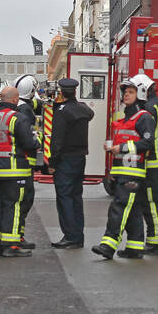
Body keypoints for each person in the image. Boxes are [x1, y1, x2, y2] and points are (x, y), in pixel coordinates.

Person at [93, 79, 156, 260]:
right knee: (134, 210)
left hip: (133, 173)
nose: (126, 95)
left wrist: (122, 148)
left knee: (119, 207)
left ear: (140, 95)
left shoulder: (143, 117)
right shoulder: (126, 118)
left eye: (131, 92)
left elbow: (147, 142)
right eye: (125, 92)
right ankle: (134, 247)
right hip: (123, 172)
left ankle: (108, 244)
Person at [0, 86, 38, 258]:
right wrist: (38, 140)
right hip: (13, 170)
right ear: (15, 100)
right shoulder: (17, 118)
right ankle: (11, 245)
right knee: (13, 206)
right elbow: (29, 143)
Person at [50, 77, 93, 248]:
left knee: (64, 197)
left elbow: (57, 140)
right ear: (75, 91)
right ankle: (78, 235)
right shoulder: (82, 109)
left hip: (65, 159)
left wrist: (52, 162)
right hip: (80, 157)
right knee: (76, 197)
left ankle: (70, 236)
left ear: (61, 92)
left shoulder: (62, 112)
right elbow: (90, 113)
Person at [132, 73, 158, 255]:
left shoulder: (147, 108)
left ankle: (156, 242)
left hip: (153, 162)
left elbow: (146, 137)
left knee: (152, 203)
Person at [14, 75, 47, 250]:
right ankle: (18, 235)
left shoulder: (16, 105)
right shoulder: (25, 111)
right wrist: (38, 140)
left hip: (9, 163)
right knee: (24, 200)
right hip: (24, 162)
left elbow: (34, 103)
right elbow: (28, 138)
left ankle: (11, 236)